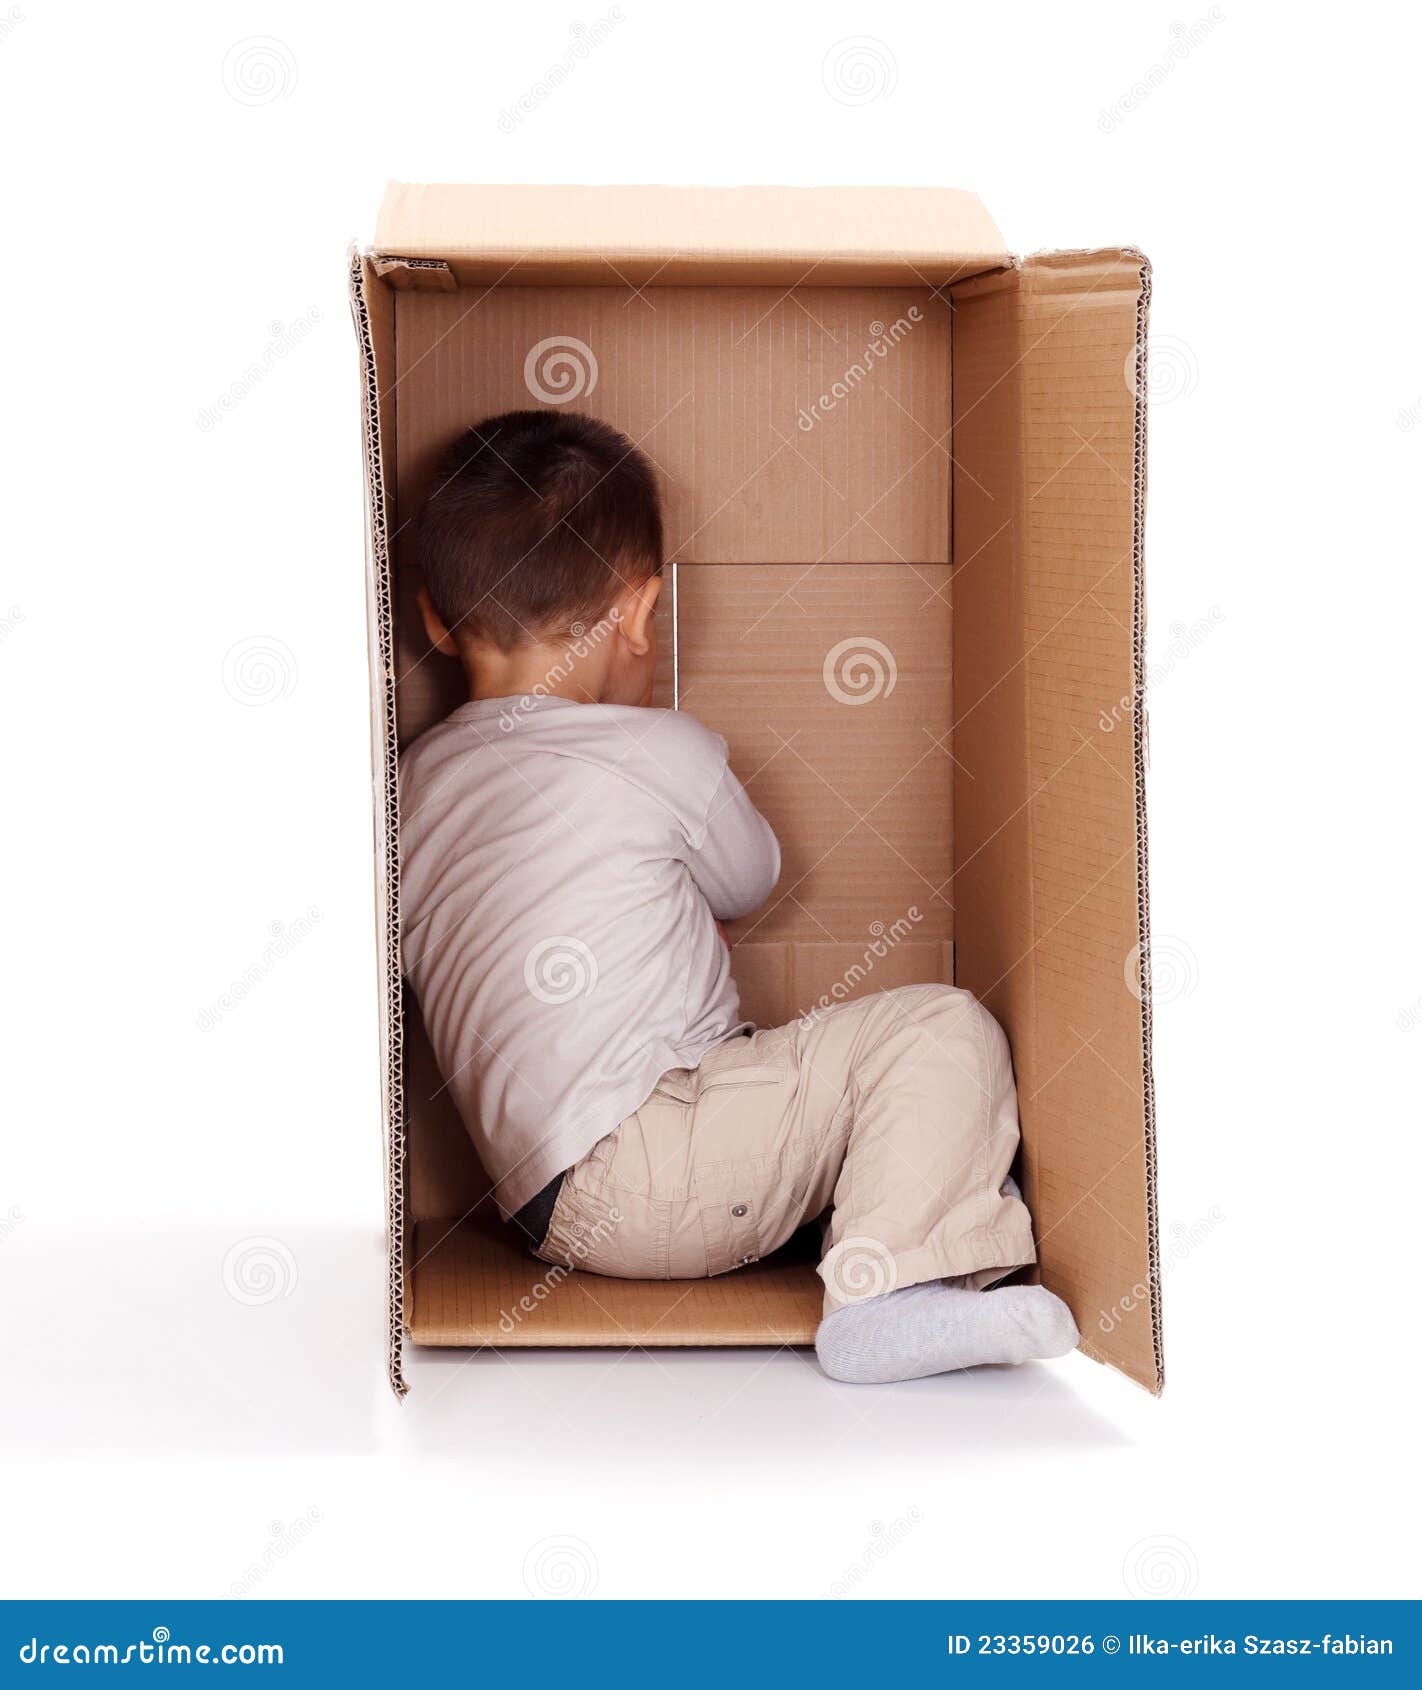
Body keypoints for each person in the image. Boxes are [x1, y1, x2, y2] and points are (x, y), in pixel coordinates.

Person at [398, 409, 1078, 1383]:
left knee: (830, 1112)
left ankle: (879, 1221)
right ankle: (890, 1296)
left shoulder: (415, 783)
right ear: (639, 613)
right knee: (941, 1029)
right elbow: (751, 876)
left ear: (433, 618)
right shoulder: (659, 750)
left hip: (539, 1210)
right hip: (659, 1154)